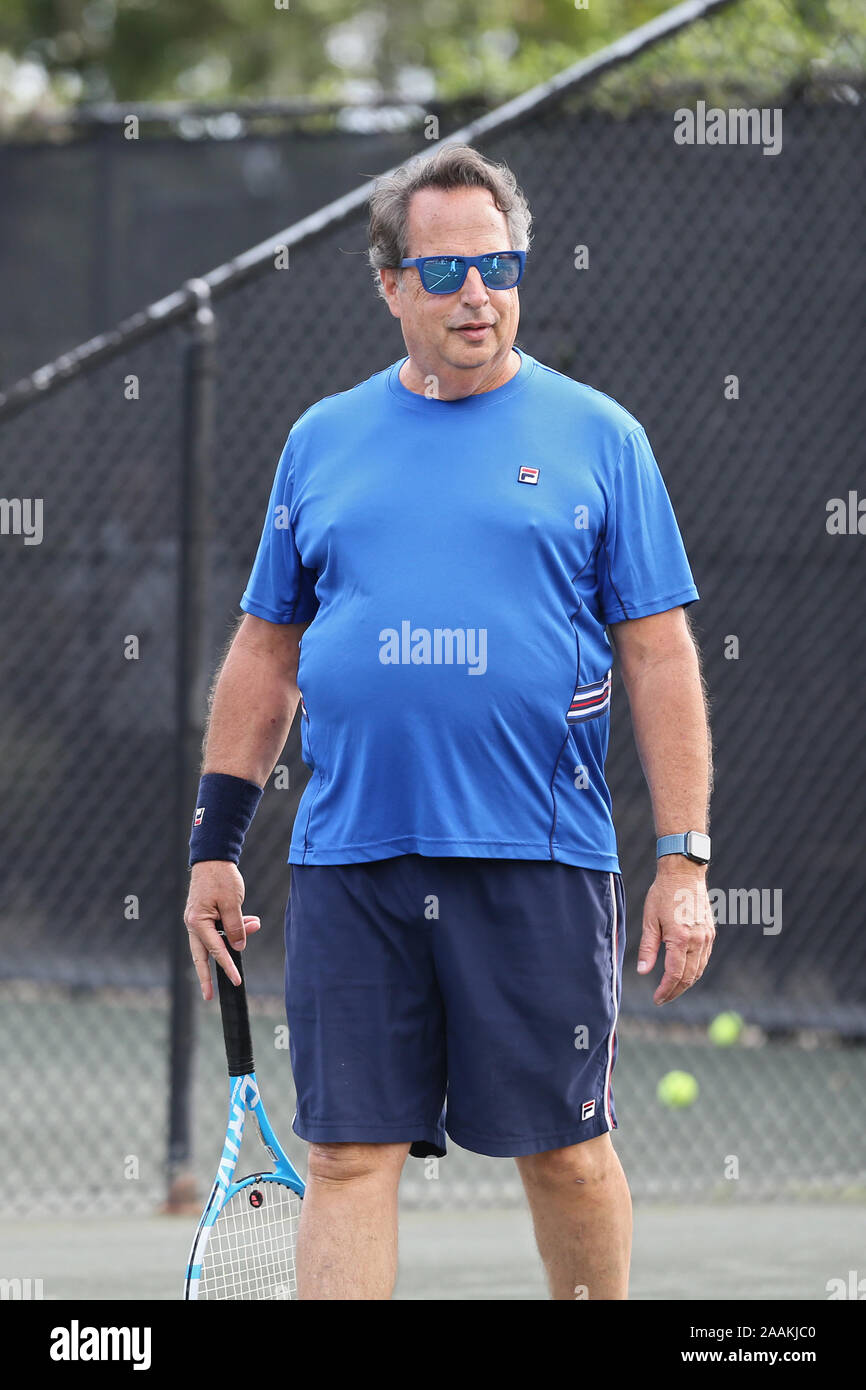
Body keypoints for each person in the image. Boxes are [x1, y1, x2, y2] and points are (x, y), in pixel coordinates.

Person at [184, 142, 714, 1301]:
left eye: (500, 264)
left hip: (538, 859)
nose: (477, 293)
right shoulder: (319, 440)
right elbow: (265, 654)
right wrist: (212, 847)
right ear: (389, 283)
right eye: (445, 272)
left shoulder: (599, 438)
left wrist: (682, 857)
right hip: (351, 864)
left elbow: (659, 652)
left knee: (567, 1158)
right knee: (345, 1154)